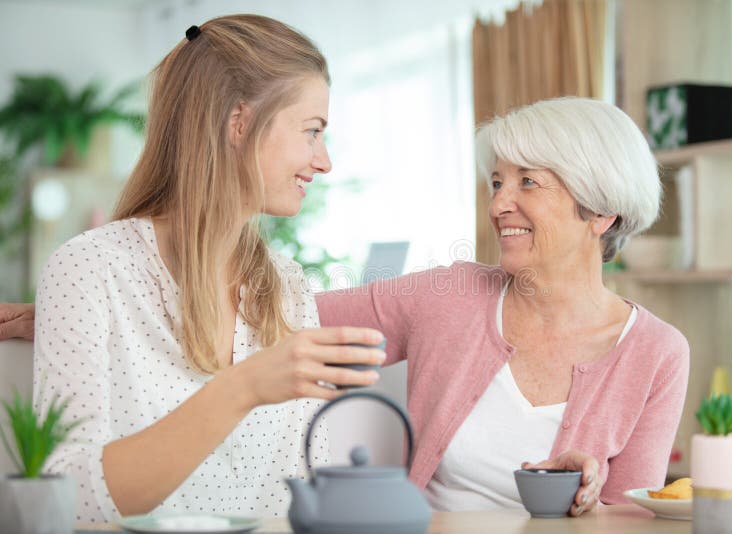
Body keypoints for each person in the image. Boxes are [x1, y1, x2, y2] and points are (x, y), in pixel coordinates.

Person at [20, 15, 386, 523]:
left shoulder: (287, 288)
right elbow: (68, 499)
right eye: (312, 132)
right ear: (238, 123)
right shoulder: (90, 270)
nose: (323, 161)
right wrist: (243, 387)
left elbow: (309, 487)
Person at [314, 97, 690, 514]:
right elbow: (292, 318)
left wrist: (588, 503)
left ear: (600, 209)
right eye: (497, 183)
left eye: (527, 182)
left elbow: (634, 519)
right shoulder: (449, 295)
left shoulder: (657, 352)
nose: (497, 206)